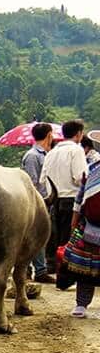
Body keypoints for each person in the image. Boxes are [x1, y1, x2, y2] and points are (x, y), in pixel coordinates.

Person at [41, 119, 89, 272]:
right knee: (69, 236)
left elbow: (43, 179)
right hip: (71, 198)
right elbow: (80, 177)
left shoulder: (51, 152)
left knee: (53, 234)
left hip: (53, 199)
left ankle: (51, 265)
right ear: (79, 134)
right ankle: (66, 269)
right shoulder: (76, 150)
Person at [66, 131, 100, 317]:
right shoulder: (91, 168)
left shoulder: (91, 169)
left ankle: (81, 305)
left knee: (86, 267)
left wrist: (74, 222)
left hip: (89, 225)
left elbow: (79, 200)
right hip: (92, 224)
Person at [21, 122, 54, 282]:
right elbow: (32, 182)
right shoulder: (33, 156)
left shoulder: (45, 154)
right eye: (51, 134)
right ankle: (35, 270)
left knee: (39, 236)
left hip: (43, 201)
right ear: (48, 135)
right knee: (32, 236)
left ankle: (38, 269)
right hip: (36, 201)